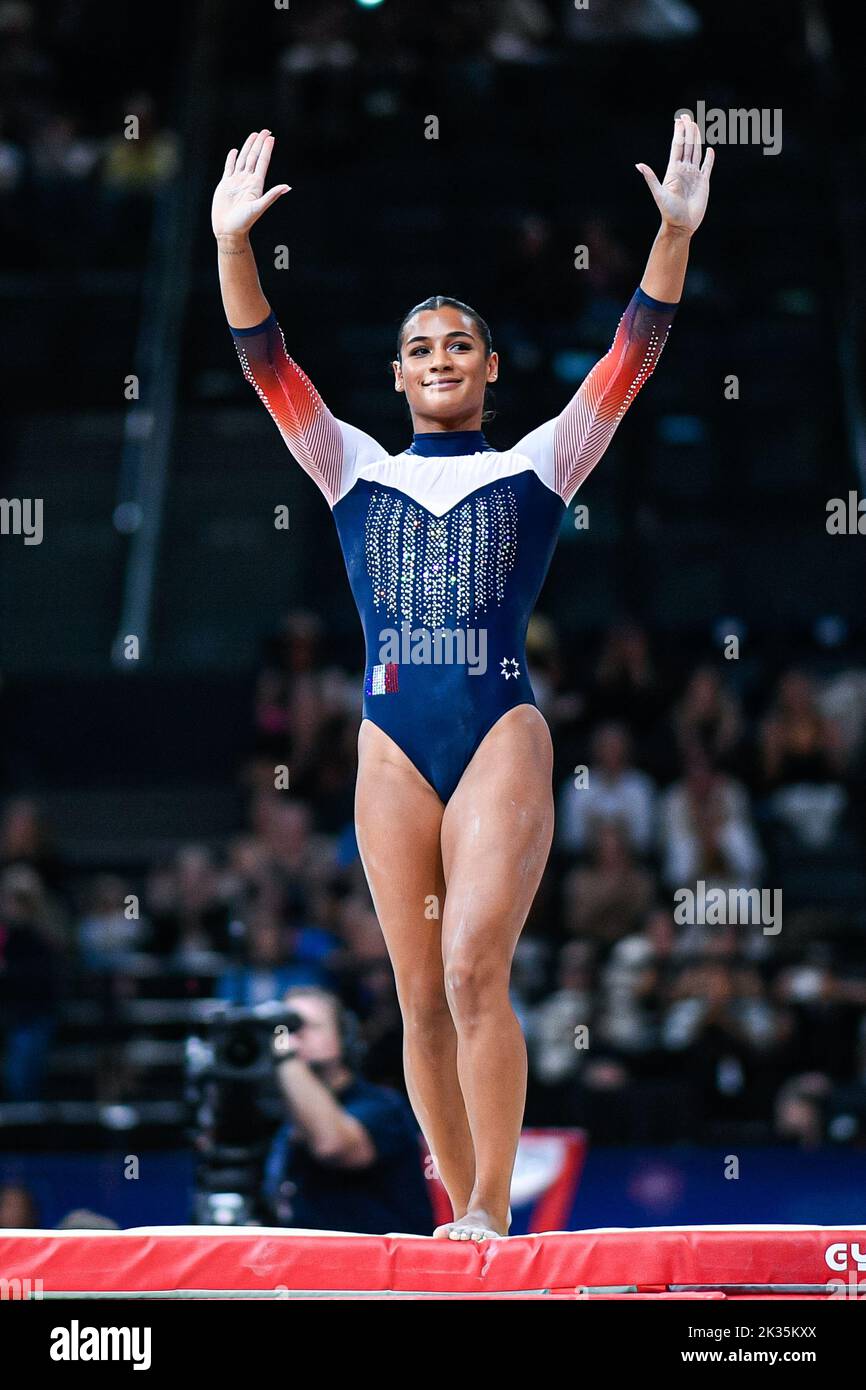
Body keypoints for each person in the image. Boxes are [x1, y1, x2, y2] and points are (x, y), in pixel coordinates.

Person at [213, 116, 714, 1238]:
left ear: (489, 367)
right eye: (421, 347)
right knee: (416, 994)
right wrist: (230, 248)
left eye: (460, 344)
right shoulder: (350, 466)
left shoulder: (539, 460)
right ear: (396, 376)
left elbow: (631, 355)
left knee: (473, 964)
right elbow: (265, 363)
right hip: (390, 736)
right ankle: (458, 1204)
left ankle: (491, 1202)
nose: (440, 357)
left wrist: (671, 233)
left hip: (494, 724)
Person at [263, 987, 434, 1235]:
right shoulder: (279, 1111)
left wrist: (286, 1058)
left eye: (304, 1025)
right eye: (283, 1029)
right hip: (309, 1265)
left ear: (342, 1037)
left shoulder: (382, 1107)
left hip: (380, 1264)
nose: (292, 1037)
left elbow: (333, 1144)